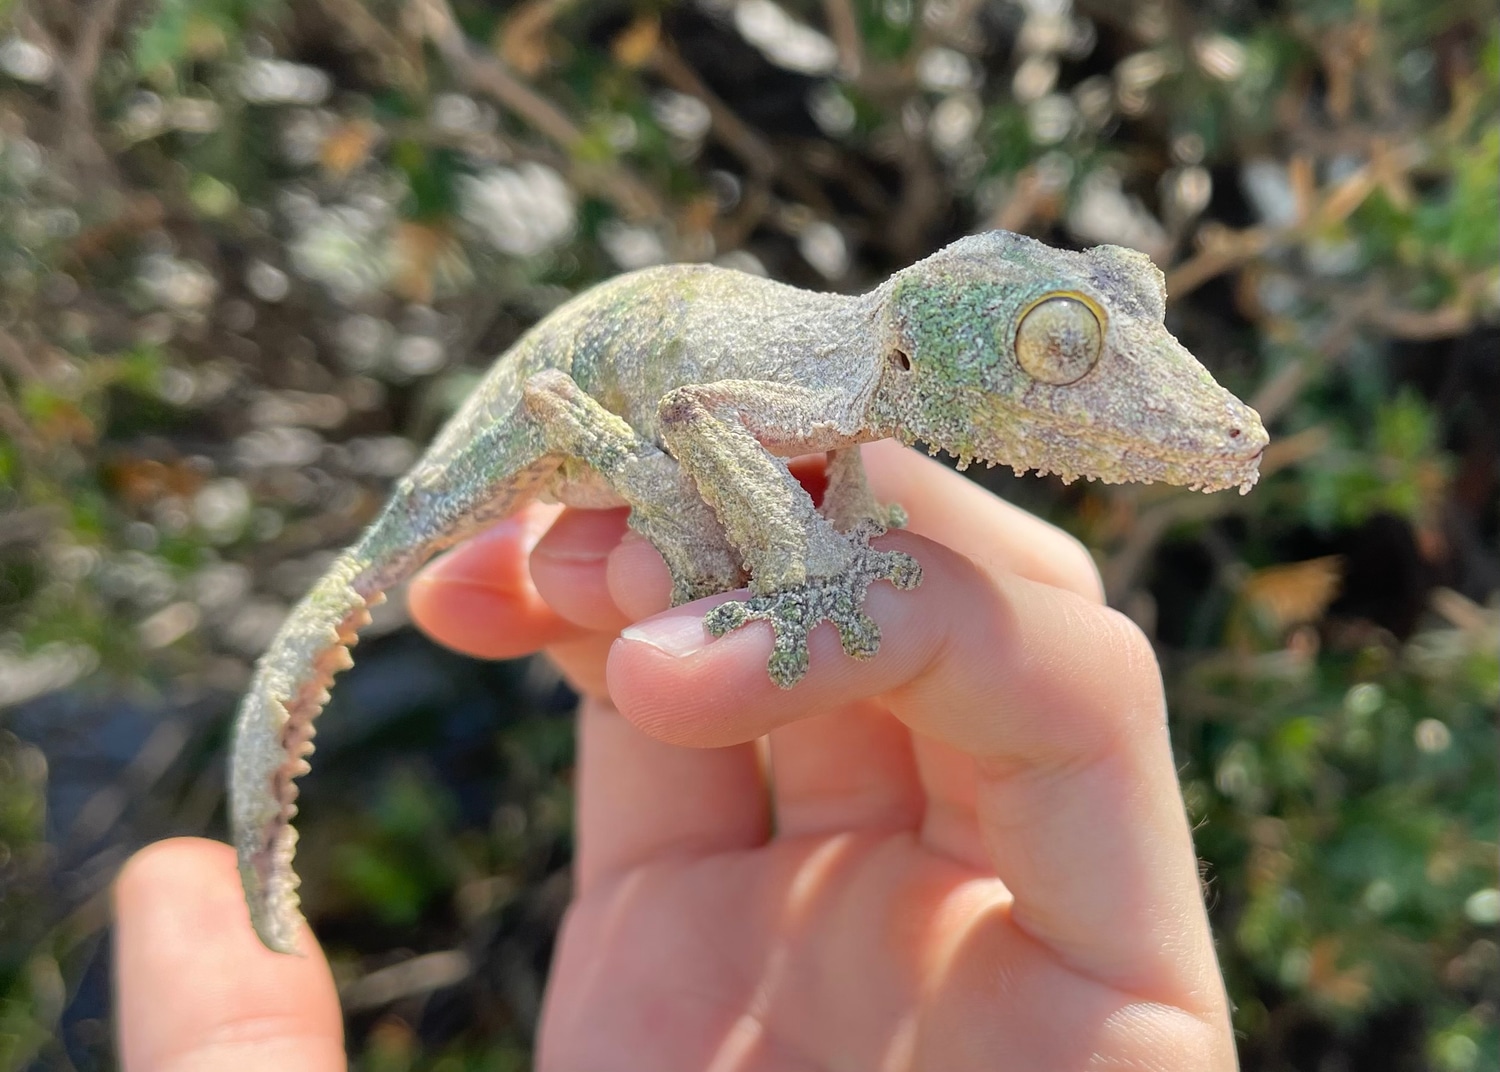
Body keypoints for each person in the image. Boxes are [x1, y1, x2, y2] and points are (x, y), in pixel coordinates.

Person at [113, 441, 1238, 1070]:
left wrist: (801, 544)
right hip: (564, 414)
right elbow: (693, 411)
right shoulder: (833, 393)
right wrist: (783, 549)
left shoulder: (855, 419)